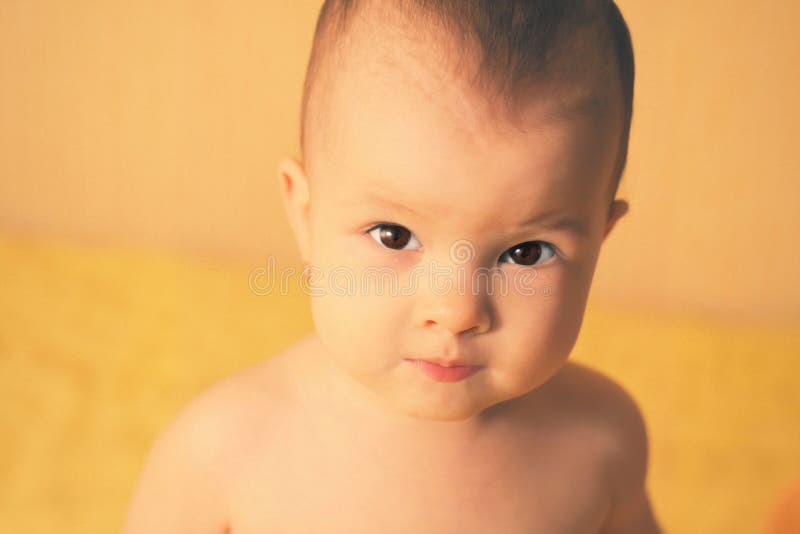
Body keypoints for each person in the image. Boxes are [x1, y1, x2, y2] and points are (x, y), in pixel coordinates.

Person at [123, 1, 663, 532]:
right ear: (306, 216)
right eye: (394, 236)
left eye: (526, 253)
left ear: (600, 240)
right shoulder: (222, 457)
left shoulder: (602, 440)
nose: (455, 312)